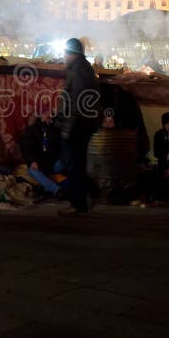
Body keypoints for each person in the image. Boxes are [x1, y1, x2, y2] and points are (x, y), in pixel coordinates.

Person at [57, 37, 100, 216]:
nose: (64, 57)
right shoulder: (83, 69)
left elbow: (78, 103)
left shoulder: (78, 72)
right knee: (77, 163)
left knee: (74, 165)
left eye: (65, 54)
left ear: (73, 54)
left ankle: (78, 204)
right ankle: (89, 193)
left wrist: (68, 128)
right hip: (84, 124)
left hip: (79, 125)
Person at [20, 101, 66, 199]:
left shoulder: (55, 129)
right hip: (40, 164)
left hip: (54, 164)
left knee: (67, 159)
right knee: (32, 171)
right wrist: (32, 160)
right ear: (40, 115)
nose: (49, 115)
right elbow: (27, 147)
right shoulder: (32, 130)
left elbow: (61, 146)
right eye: (45, 113)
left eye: (50, 113)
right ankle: (57, 190)